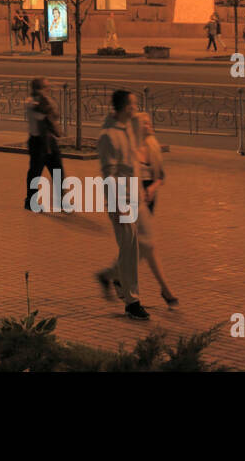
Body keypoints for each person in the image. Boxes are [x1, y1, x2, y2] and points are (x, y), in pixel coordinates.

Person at [95, 90, 150, 321]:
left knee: (132, 249)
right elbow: (109, 173)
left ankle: (114, 278)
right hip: (121, 201)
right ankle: (132, 301)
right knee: (129, 252)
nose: (136, 108)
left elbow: (142, 119)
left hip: (134, 198)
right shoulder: (108, 136)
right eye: (132, 104)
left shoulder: (127, 127)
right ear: (123, 108)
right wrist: (116, 204)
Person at [132, 112, 176, 306]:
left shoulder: (153, 146)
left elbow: (161, 176)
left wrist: (152, 187)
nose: (149, 125)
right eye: (144, 123)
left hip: (149, 200)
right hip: (133, 201)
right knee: (148, 245)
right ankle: (166, 290)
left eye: (149, 122)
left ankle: (112, 275)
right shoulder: (130, 149)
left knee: (139, 245)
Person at [23, 78, 63, 211]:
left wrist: (48, 108)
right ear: (37, 89)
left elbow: (55, 115)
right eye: (45, 87)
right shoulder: (30, 102)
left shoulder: (45, 101)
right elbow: (42, 115)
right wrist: (47, 107)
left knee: (58, 172)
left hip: (50, 141)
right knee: (35, 173)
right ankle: (31, 202)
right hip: (37, 142)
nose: (48, 89)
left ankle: (62, 201)